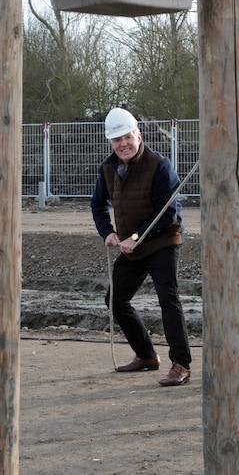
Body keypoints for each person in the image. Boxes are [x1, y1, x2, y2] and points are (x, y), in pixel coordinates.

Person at [90, 107, 193, 387]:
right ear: (110, 143)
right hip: (130, 247)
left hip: (161, 242)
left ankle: (181, 364)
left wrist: (134, 238)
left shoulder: (160, 165)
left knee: (168, 300)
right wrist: (108, 232)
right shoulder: (108, 169)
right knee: (115, 299)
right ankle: (146, 355)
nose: (122, 143)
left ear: (138, 135)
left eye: (127, 137)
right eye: (116, 139)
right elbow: (97, 204)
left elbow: (167, 212)